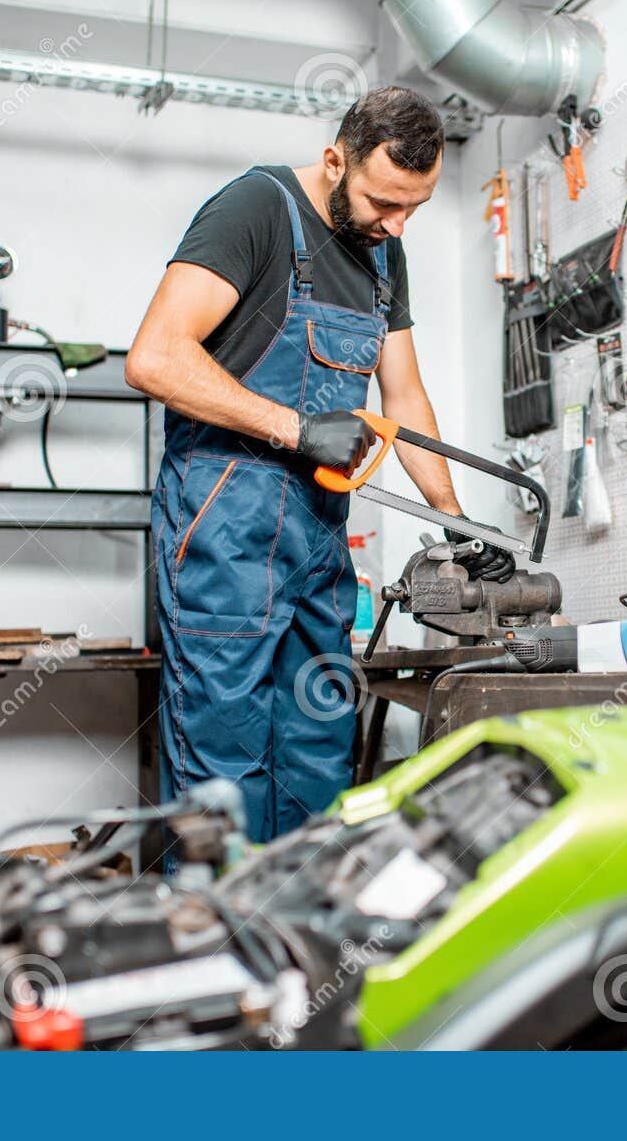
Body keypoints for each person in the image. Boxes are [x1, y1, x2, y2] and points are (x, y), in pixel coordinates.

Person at [126, 86, 515, 842]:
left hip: (316, 537)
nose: (396, 225)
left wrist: (455, 521)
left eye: (415, 207)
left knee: (318, 755)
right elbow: (155, 357)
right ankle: (215, 947)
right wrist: (298, 431)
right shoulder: (256, 208)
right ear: (336, 160)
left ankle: (304, 948)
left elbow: (401, 397)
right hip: (224, 527)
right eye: (382, 202)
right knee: (223, 762)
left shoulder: (382, 251)